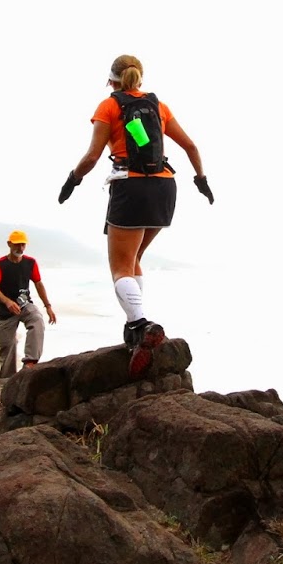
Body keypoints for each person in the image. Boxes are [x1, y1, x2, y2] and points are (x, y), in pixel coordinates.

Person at [58, 53, 211, 376]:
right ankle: (133, 329)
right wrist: (202, 181)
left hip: (131, 187)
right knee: (134, 258)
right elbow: (191, 147)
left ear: (111, 80)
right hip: (165, 189)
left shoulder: (109, 106)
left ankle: (142, 325)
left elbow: (92, 156)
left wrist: (72, 180)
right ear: (140, 78)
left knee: (119, 268)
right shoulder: (159, 106)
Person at [0, 230, 57, 377]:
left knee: (37, 320)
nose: (20, 248)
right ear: (9, 244)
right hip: (5, 311)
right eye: (17, 244)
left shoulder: (30, 263)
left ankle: (30, 362)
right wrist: (7, 302)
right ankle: (7, 381)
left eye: (23, 245)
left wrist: (48, 307)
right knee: (7, 348)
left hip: (25, 305)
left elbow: (39, 284)